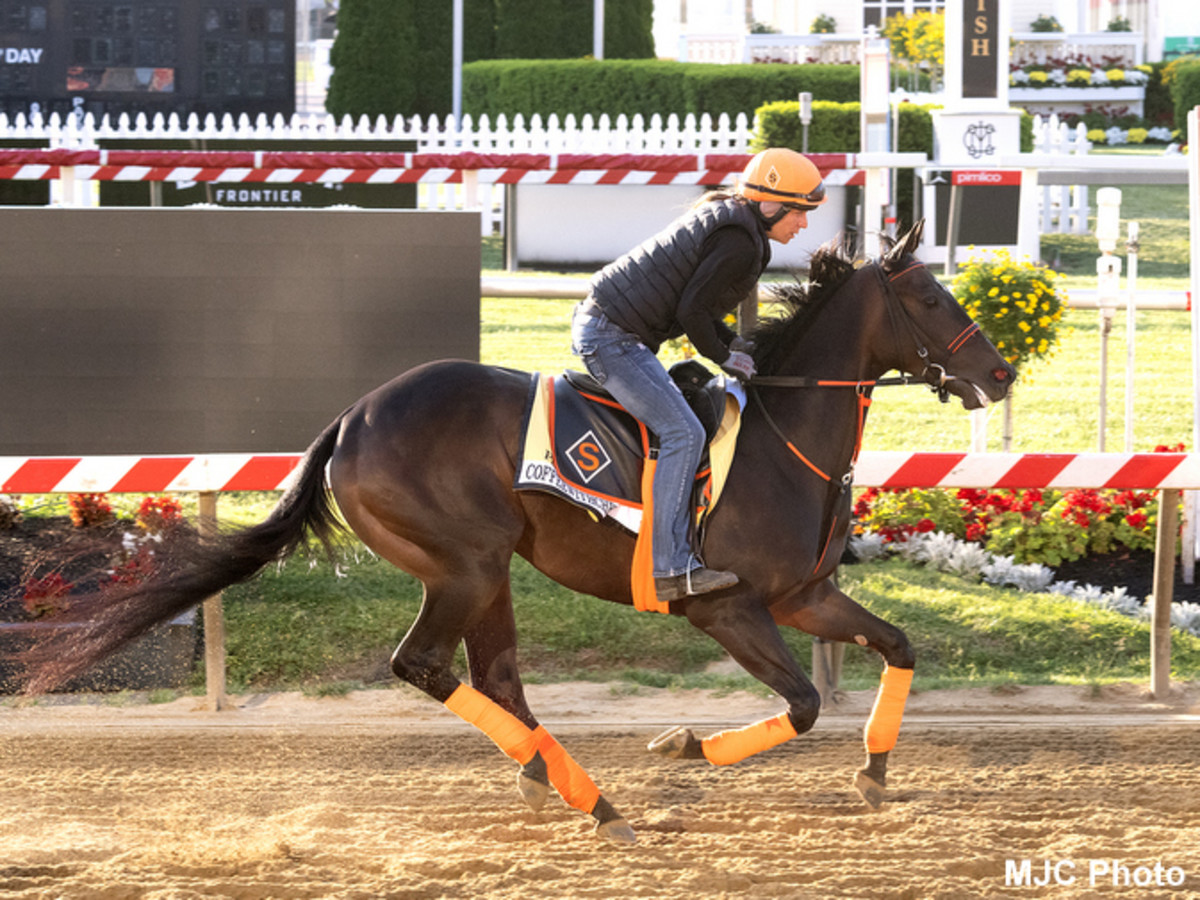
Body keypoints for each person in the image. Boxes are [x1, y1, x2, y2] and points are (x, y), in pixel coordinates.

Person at [570, 147, 827, 602]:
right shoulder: (740, 241)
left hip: (617, 330)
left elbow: (700, 308)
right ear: (770, 204)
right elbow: (692, 310)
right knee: (684, 433)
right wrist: (725, 357)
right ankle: (671, 569)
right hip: (612, 338)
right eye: (799, 212)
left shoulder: (737, 224)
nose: (803, 224)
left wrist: (730, 348)